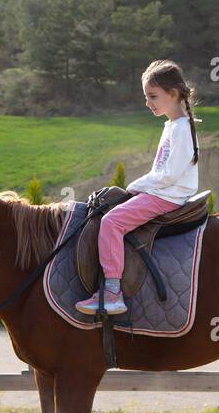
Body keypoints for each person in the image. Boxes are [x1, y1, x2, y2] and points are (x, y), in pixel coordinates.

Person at [76, 59, 201, 316]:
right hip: (161, 192)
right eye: (146, 97)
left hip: (166, 196)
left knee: (111, 222)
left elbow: (168, 175)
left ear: (173, 93)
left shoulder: (180, 129)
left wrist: (134, 186)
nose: (148, 103)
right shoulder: (173, 126)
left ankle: (112, 292)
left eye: (152, 96)